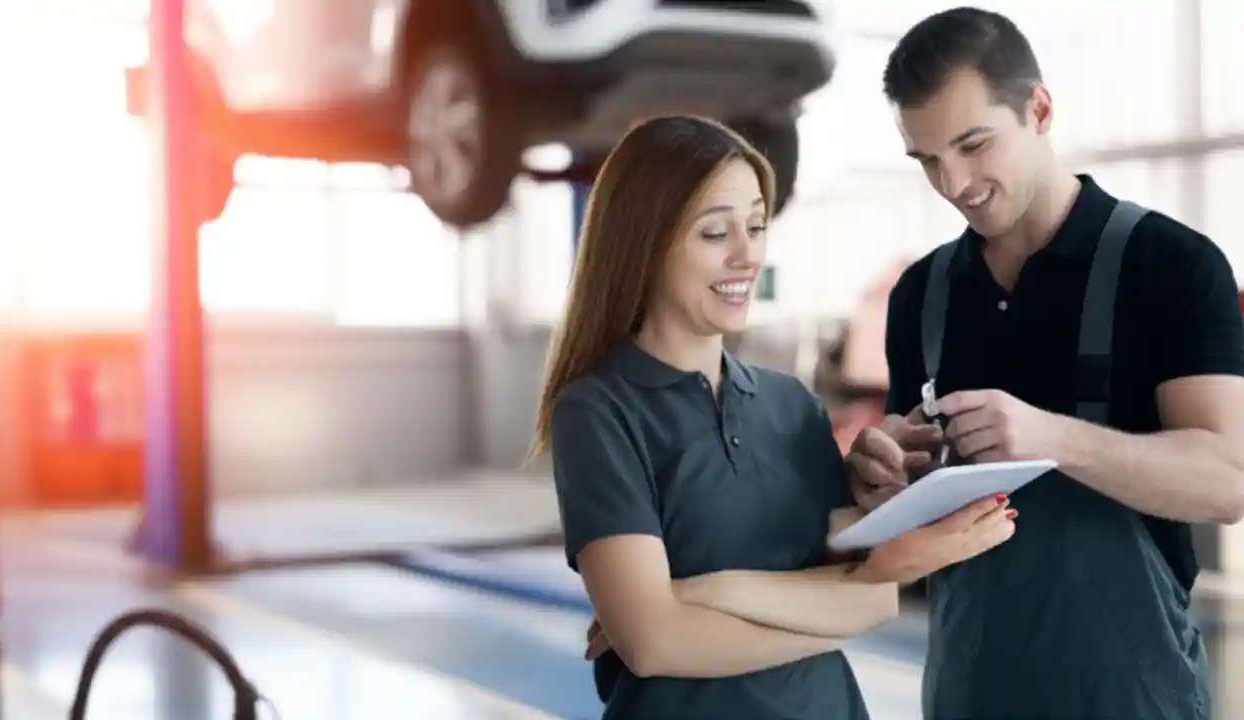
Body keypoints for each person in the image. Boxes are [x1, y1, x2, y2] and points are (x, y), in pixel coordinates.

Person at [529, 115, 1017, 720]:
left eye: (756, 226)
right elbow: (655, 644)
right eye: (715, 232)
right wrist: (838, 604)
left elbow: (876, 603)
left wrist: (700, 594)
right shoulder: (598, 411)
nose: (747, 256)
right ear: (645, 242)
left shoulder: (793, 406)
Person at [846, 7, 1244, 719]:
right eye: (928, 160)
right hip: (967, 693)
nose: (954, 183)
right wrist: (885, 478)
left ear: (1039, 109)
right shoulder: (921, 295)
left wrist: (1052, 439)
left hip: (1128, 700)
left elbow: (1227, 482)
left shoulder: (1170, 265)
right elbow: (912, 509)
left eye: (973, 145)